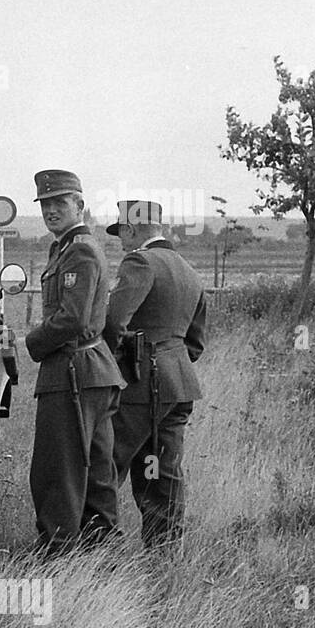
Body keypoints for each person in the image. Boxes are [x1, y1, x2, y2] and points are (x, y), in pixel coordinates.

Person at [23, 169, 125, 558]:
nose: (51, 210)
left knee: (58, 467)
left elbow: (73, 319)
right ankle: (102, 553)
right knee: (97, 469)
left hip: (73, 370)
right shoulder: (66, 247)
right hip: (89, 369)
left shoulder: (79, 249)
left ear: (79, 205)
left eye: (59, 203)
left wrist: (28, 341)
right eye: (45, 204)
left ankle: (57, 554)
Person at [103, 200, 208, 548]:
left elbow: (113, 322)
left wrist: (113, 364)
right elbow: (195, 343)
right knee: (163, 475)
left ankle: (94, 552)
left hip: (140, 384)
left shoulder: (140, 261)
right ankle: (163, 557)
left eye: (121, 232)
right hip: (179, 387)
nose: (120, 240)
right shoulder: (188, 270)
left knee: (105, 466)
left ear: (132, 230)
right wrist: (169, 359)